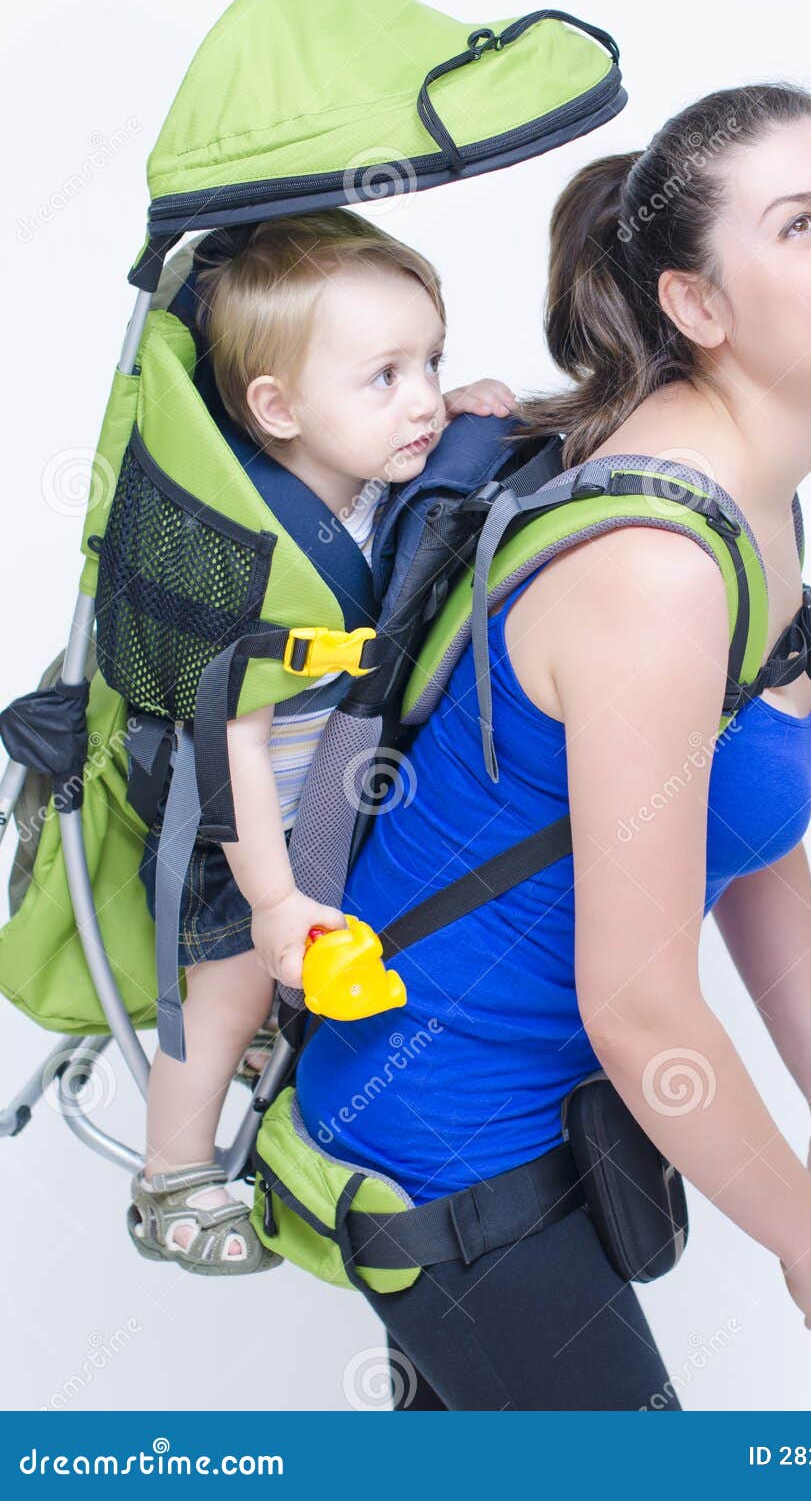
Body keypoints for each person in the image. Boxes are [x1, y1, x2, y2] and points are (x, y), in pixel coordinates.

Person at [295, 83, 811, 1409]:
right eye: (799, 224)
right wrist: (810, 1237)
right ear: (698, 307)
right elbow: (636, 1004)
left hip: (525, 1099)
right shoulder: (657, 570)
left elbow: (742, 819)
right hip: (444, 1125)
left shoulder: (753, 496)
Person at [127, 210, 515, 1273]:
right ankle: (170, 1175)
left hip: (329, 801)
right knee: (224, 993)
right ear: (276, 408)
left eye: (429, 359)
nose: (425, 397)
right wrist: (269, 898)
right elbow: (232, 743)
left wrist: (459, 403)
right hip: (234, 830)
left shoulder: (365, 480)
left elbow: (411, 465)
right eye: (384, 375)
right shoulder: (244, 543)